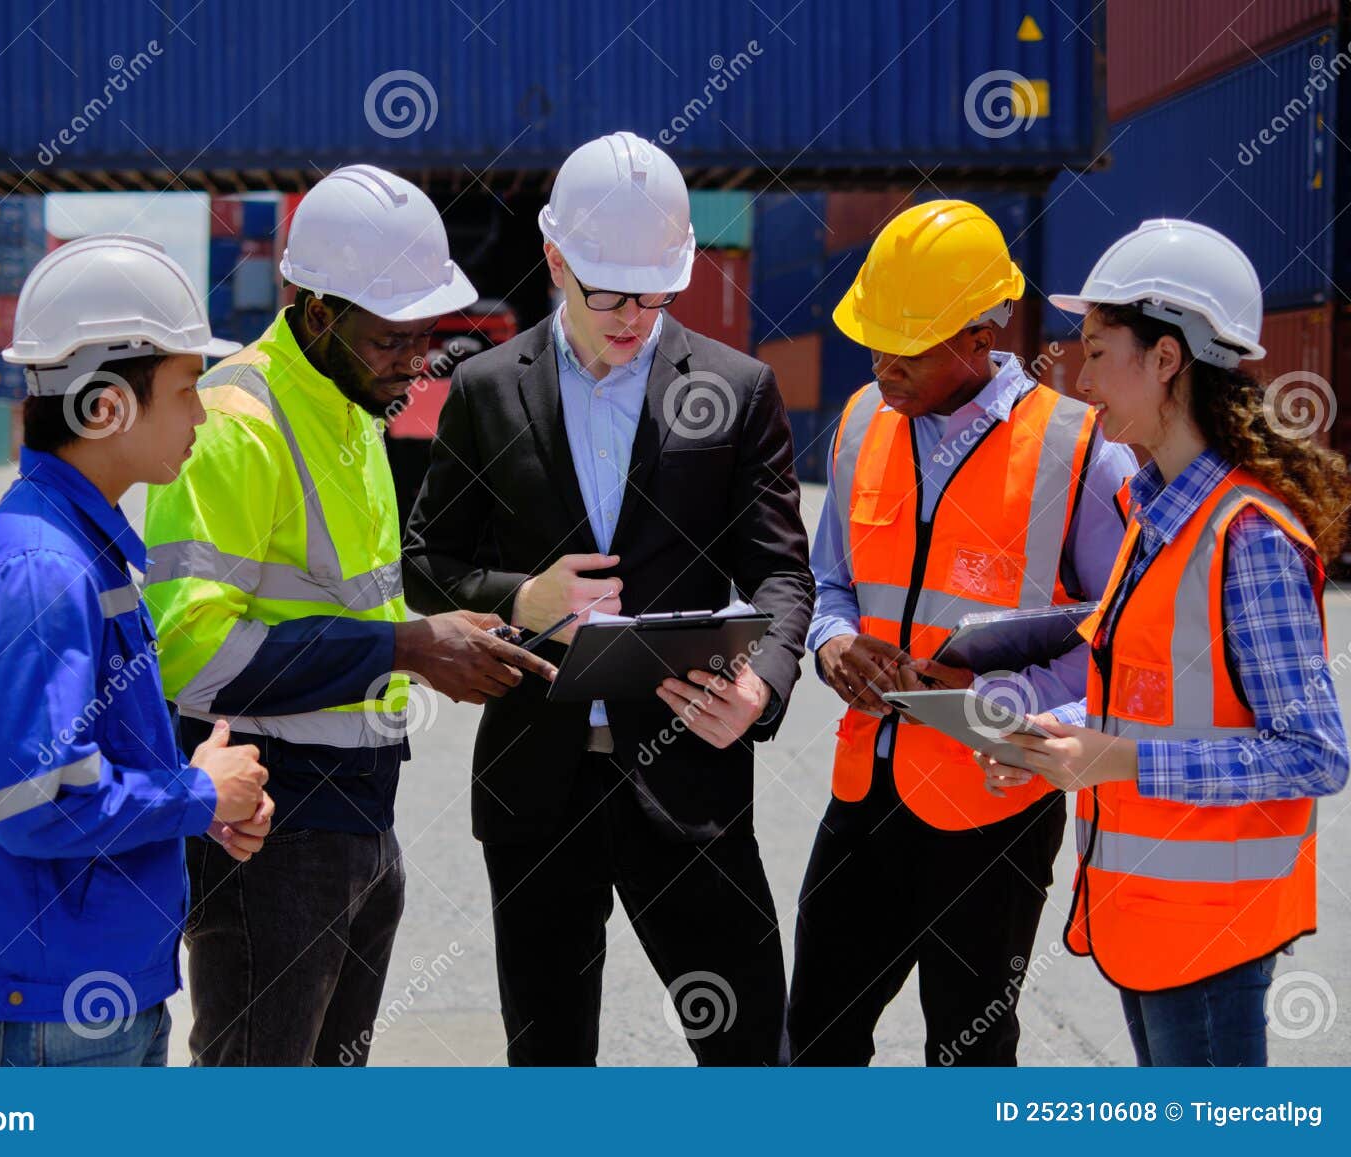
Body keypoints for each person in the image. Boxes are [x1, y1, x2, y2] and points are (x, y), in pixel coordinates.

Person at [404, 131, 816, 1066]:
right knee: (549, 1059)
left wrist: (762, 686)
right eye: (612, 294)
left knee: (750, 1050)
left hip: (691, 774)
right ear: (556, 260)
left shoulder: (735, 388)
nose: (636, 316)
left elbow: (784, 575)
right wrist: (525, 595)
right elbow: (427, 559)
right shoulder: (481, 389)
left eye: (657, 294)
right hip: (536, 787)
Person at [142, 165, 556, 1067]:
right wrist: (407, 645)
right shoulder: (238, 422)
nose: (416, 361)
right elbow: (190, 653)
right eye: (391, 339)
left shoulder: (350, 406)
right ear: (317, 312)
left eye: (426, 336)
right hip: (270, 828)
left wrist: (455, 635)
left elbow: (358, 597)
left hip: (362, 811)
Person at [976, 219, 1351, 1067]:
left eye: (1099, 350)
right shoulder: (1156, 515)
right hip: (1147, 914)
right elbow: (1134, 697)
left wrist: (1121, 762)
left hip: (1213, 935)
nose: (1078, 374)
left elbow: (1314, 754)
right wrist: (1052, 741)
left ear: (1167, 360)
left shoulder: (1245, 537)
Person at [790, 200, 1139, 1066]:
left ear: (985, 335)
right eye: (874, 339)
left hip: (995, 805)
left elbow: (1123, 642)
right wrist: (833, 642)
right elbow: (830, 580)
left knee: (969, 1055)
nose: (881, 364)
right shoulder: (863, 421)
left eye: (906, 345)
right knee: (811, 1045)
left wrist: (999, 699)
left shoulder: (1083, 452)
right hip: (865, 790)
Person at [0, 235, 273, 1066]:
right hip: (54, 1012)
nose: (201, 415)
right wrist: (196, 795)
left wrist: (201, 800)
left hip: (77, 991)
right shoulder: (45, 570)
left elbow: (83, 761)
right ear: (104, 405)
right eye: (188, 390)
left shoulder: (73, 545)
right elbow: (38, 796)